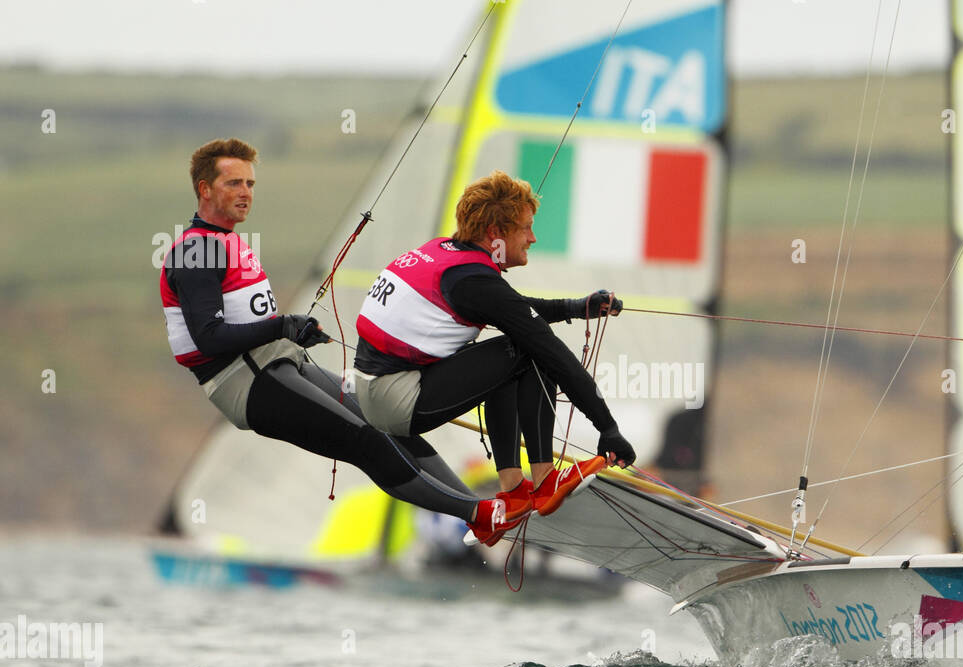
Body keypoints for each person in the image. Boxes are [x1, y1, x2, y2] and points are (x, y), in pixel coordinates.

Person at [160, 138, 517, 541]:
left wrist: (293, 332)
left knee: (387, 424)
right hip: (245, 383)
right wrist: (283, 326)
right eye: (233, 183)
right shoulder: (195, 253)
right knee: (367, 442)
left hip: (276, 362)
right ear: (205, 189)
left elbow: (251, 320)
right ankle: (478, 514)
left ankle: (476, 506)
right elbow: (209, 339)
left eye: (250, 184)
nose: (246, 193)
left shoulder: (226, 241)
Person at [351, 170, 637, 544]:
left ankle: (514, 488)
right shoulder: (474, 281)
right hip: (397, 401)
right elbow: (547, 346)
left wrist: (575, 307)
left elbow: (511, 307)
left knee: (515, 346)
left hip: (375, 393)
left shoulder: (447, 255)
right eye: (525, 228)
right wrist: (607, 428)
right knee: (529, 347)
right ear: (495, 234)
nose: (532, 238)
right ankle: (545, 480)